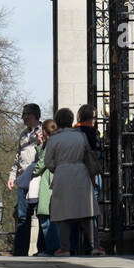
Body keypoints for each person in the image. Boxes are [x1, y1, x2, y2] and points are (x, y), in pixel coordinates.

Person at [44, 107, 101, 257]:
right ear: (71, 120)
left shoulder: (54, 139)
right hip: (81, 172)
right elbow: (87, 153)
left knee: (64, 212)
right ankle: (95, 245)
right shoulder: (80, 136)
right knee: (86, 211)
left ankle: (65, 247)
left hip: (62, 173)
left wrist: (58, 167)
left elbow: (48, 162)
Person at [8, 103, 43, 256]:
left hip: (37, 178)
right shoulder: (23, 134)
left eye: (25, 114)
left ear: (32, 115)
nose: (22, 117)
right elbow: (17, 157)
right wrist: (12, 176)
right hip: (23, 179)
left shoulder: (43, 132)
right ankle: (21, 251)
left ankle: (43, 249)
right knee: (23, 216)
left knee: (42, 214)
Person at [74, 104, 104, 255]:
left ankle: (76, 245)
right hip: (92, 174)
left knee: (76, 212)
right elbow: (99, 154)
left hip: (77, 174)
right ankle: (92, 244)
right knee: (91, 212)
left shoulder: (75, 131)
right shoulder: (94, 132)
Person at [29, 118, 59, 256]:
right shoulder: (55, 142)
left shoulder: (51, 144)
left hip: (48, 181)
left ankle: (51, 248)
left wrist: (31, 172)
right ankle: (52, 248)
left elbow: (42, 162)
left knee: (46, 217)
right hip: (54, 180)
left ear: (46, 132)